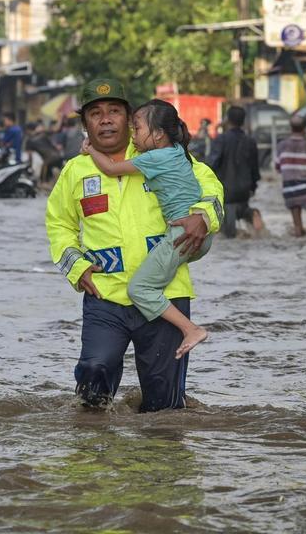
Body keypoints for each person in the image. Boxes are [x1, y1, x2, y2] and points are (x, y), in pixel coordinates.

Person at [46, 78, 224, 412]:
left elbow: (211, 189)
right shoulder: (75, 171)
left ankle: (159, 460)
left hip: (166, 294)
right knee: (92, 385)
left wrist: (203, 216)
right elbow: (59, 225)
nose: (106, 119)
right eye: (95, 113)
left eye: (115, 111)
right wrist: (78, 268)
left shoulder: (163, 156)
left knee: (165, 409)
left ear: (130, 120)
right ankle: (96, 454)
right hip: (105, 297)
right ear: (85, 123)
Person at [81, 98, 211, 359]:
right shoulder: (178, 151)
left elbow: (110, 168)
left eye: (137, 128)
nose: (133, 134)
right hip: (197, 237)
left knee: (140, 289)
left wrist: (89, 150)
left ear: (159, 133)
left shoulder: (153, 158)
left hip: (182, 236)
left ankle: (191, 329)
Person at [206, 106, 264, 238]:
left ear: (227, 120)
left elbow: (211, 165)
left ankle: (237, 231)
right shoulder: (250, 141)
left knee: (228, 235)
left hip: (225, 192)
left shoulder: (221, 140)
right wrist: (253, 187)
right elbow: (255, 169)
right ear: (243, 122)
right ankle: (252, 214)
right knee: (242, 210)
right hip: (244, 190)